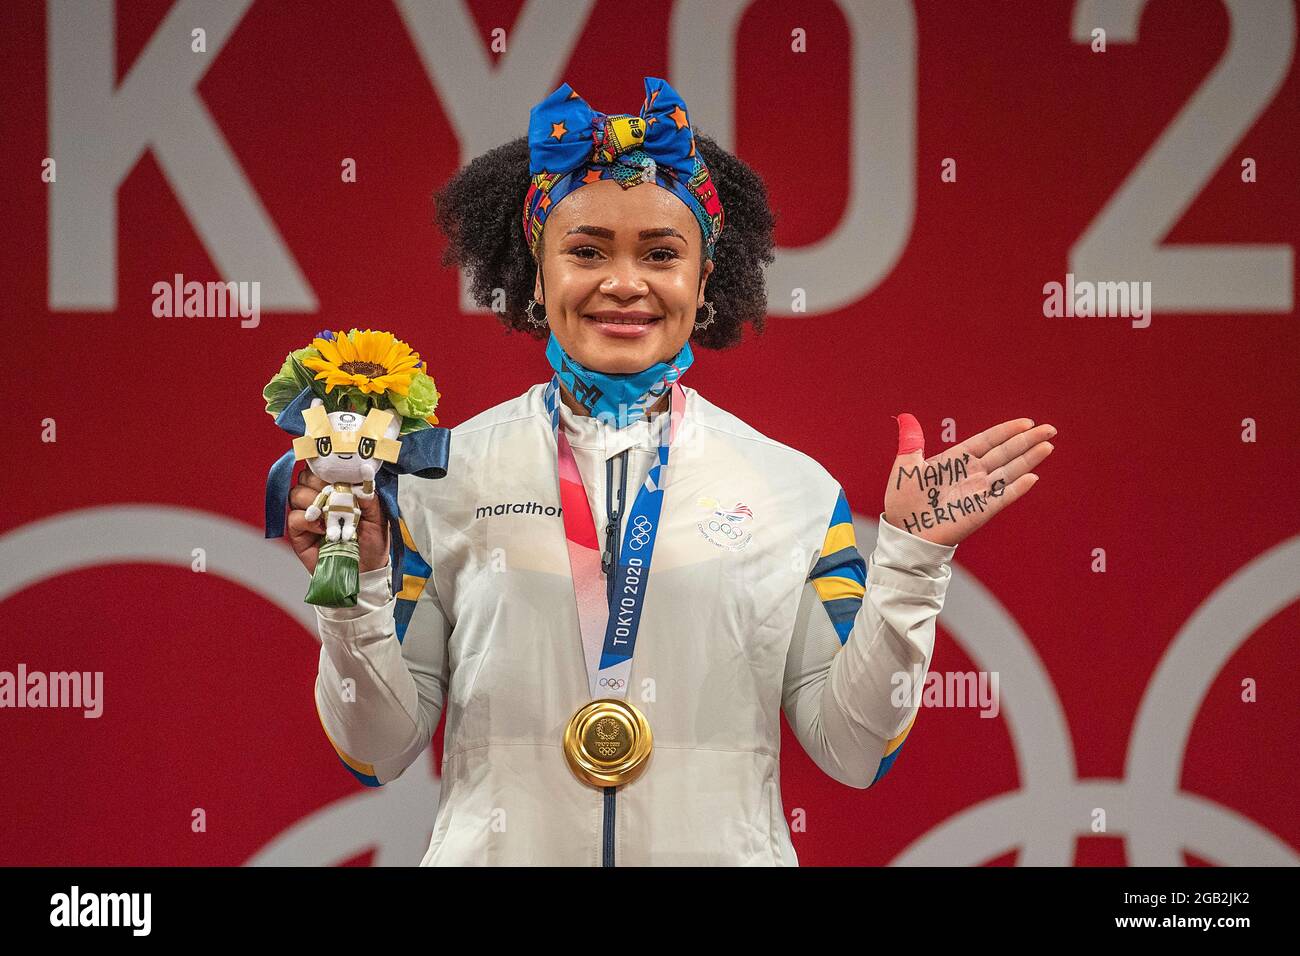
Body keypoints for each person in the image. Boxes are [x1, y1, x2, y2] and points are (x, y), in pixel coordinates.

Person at [285, 77, 1056, 866]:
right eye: (586, 252)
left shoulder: (790, 490)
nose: (625, 283)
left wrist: (913, 564)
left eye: (661, 254)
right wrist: (354, 597)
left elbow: (855, 748)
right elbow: (374, 747)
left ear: (703, 278)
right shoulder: (441, 477)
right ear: (538, 273)